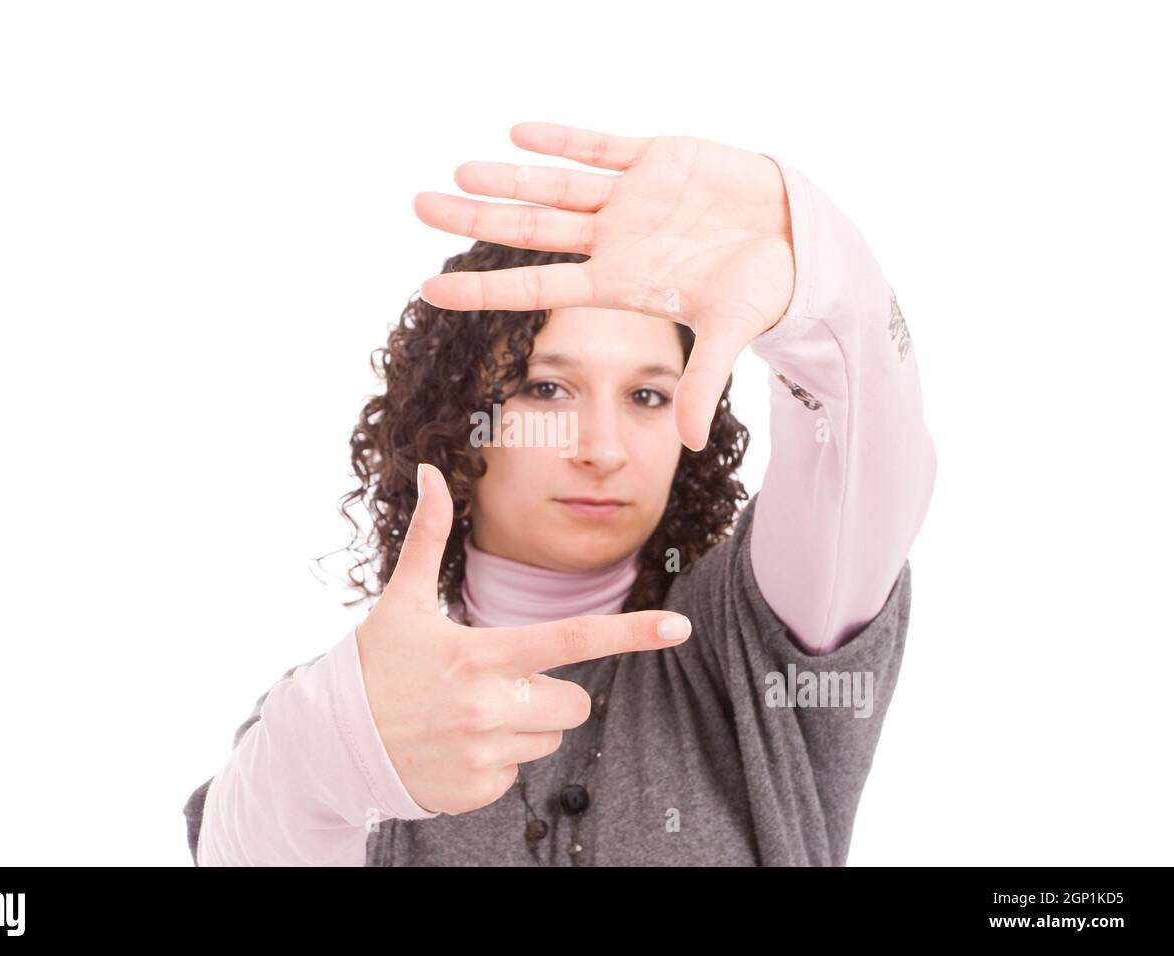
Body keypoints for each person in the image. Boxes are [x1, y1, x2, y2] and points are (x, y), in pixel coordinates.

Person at [183, 122, 937, 866]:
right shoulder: (369, 703)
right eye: (547, 389)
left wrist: (820, 280)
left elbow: (867, 461)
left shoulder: (750, 639)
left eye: (647, 396)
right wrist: (334, 745)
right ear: (456, 420)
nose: (603, 450)